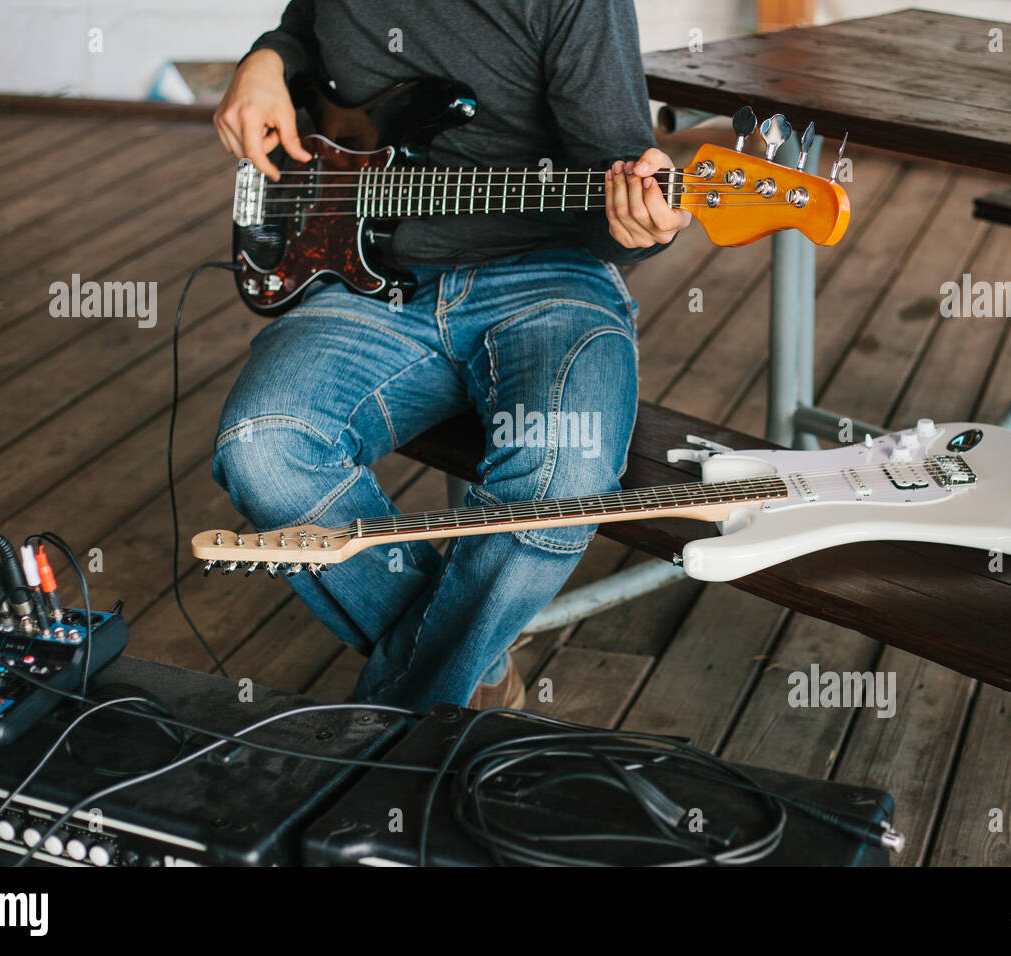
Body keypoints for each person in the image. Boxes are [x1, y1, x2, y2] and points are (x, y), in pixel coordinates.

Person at [211, 0, 690, 713]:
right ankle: (476, 670)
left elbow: (618, 186)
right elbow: (307, 28)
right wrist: (265, 61)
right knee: (262, 448)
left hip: (547, 277)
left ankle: (404, 720)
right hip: (364, 281)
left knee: (565, 466)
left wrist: (642, 223)